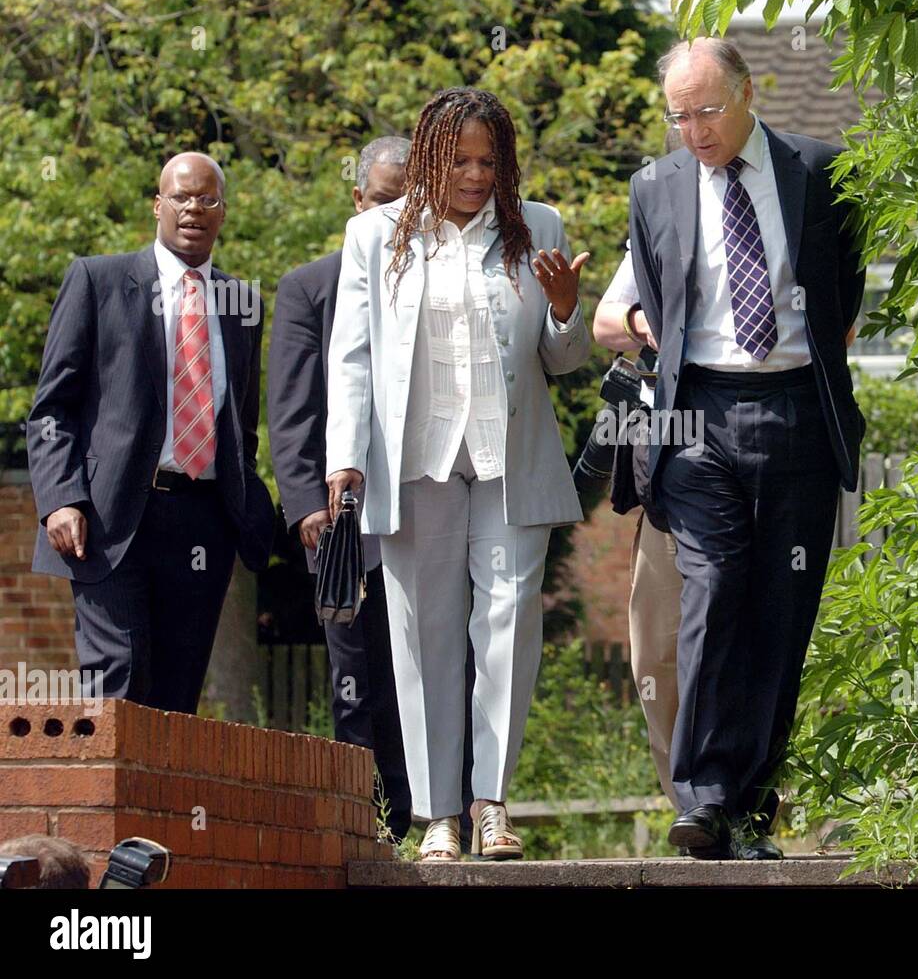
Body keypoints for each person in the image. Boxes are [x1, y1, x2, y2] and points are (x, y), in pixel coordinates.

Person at [325, 87, 591, 861]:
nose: (476, 175)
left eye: (490, 161)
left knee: (508, 623)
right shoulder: (375, 235)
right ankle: (438, 812)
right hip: (416, 464)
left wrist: (568, 311)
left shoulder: (536, 226)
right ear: (430, 158)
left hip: (511, 464)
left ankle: (491, 804)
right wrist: (345, 455)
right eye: (461, 160)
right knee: (424, 634)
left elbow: (562, 359)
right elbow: (353, 354)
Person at [627, 39, 866, 860]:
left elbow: (846, 293)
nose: (693, 130)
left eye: (707, 110)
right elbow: (650, 305)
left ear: (748, 92)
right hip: (697, 416)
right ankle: (701, 796)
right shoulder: (654, 188)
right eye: (678, 115)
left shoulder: (822, 170)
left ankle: (750, 814)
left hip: (798, 407)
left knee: (779, 615)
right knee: (713, 586)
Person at [26, 153, 275, 714]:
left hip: (202, 520)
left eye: (207, 199)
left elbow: (241, 428)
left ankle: (159, 807)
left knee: (176, 697)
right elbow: (50, 408)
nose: (193, 208)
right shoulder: (99, 280)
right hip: (109, 517)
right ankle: (103, 804)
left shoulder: (243, 306)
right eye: (181, 197)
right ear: (157, 206)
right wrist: (60, 498)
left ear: (223, 212)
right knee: (120, 678)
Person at [268, 136, 414, 842]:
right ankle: (368, 824)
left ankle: (429, 815)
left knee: (434, 668)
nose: (396, 218)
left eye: (410, 202)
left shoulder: (443, 280)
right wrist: (305, 506)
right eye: (385, 202)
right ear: (357, 202)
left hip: (428, 509)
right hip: (342, 523)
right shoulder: (309, 287)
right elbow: (293, 409)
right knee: (356, 681)